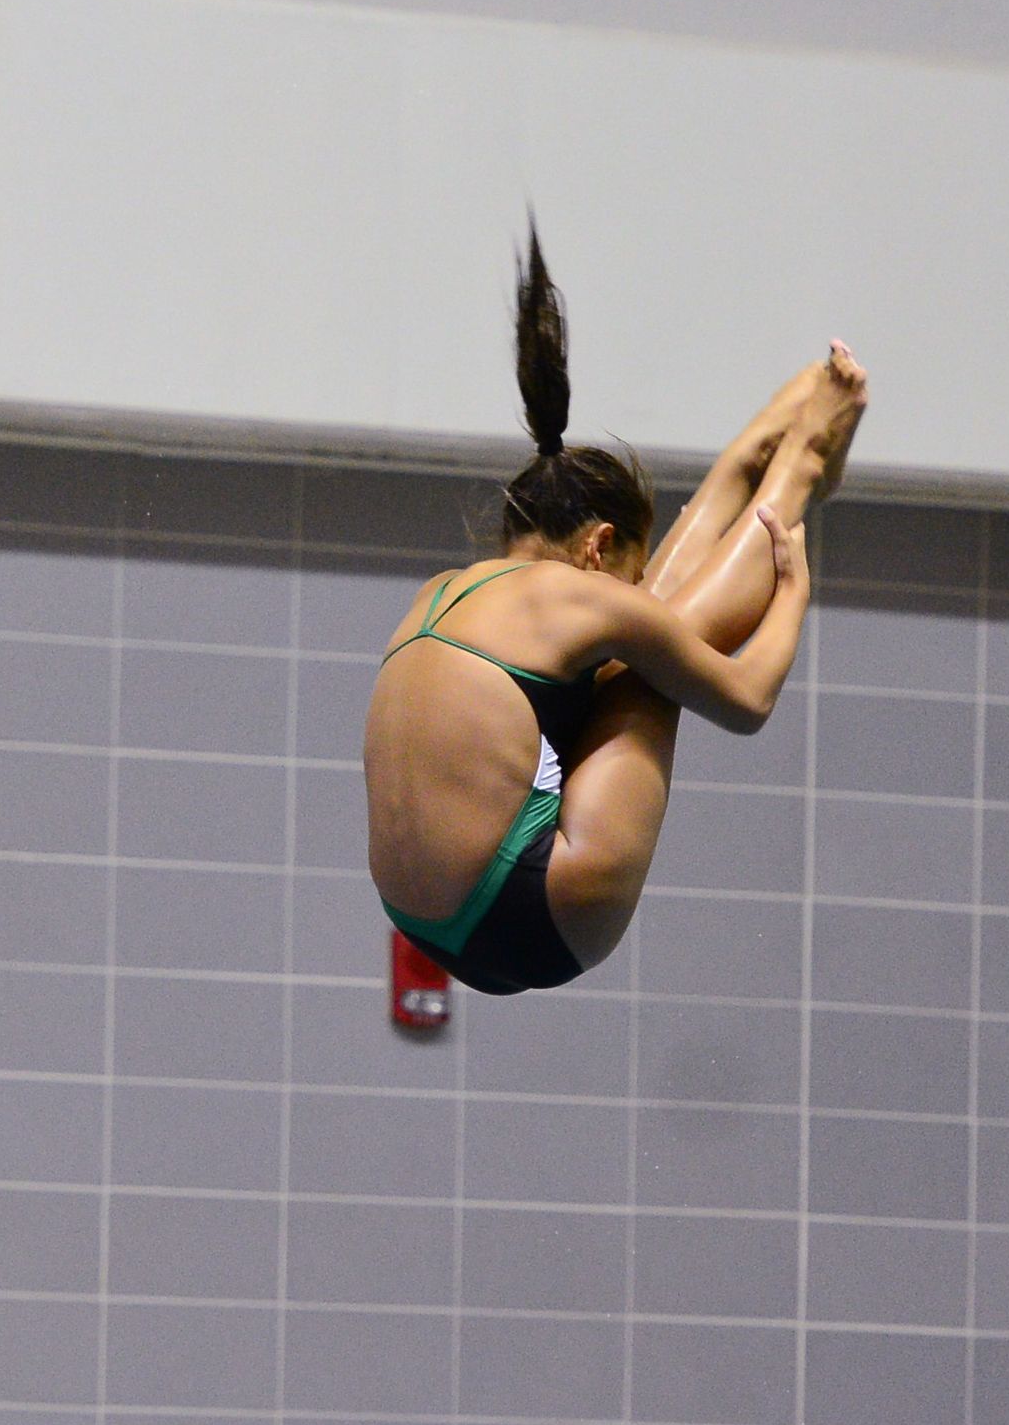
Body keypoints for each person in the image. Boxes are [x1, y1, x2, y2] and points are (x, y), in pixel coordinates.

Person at [364, 228, 867, 996]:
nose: (637, 593)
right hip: (527, 917)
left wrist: (738, 471)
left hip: (424, 920)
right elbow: (746, 700)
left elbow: (646, 619)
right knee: (647, 671)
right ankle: (790, 464)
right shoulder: (578, 601)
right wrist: (791, 590)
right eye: (632, 574)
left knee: (644, 643)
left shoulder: (442, 593)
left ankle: (759, 451)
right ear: (599, 547)